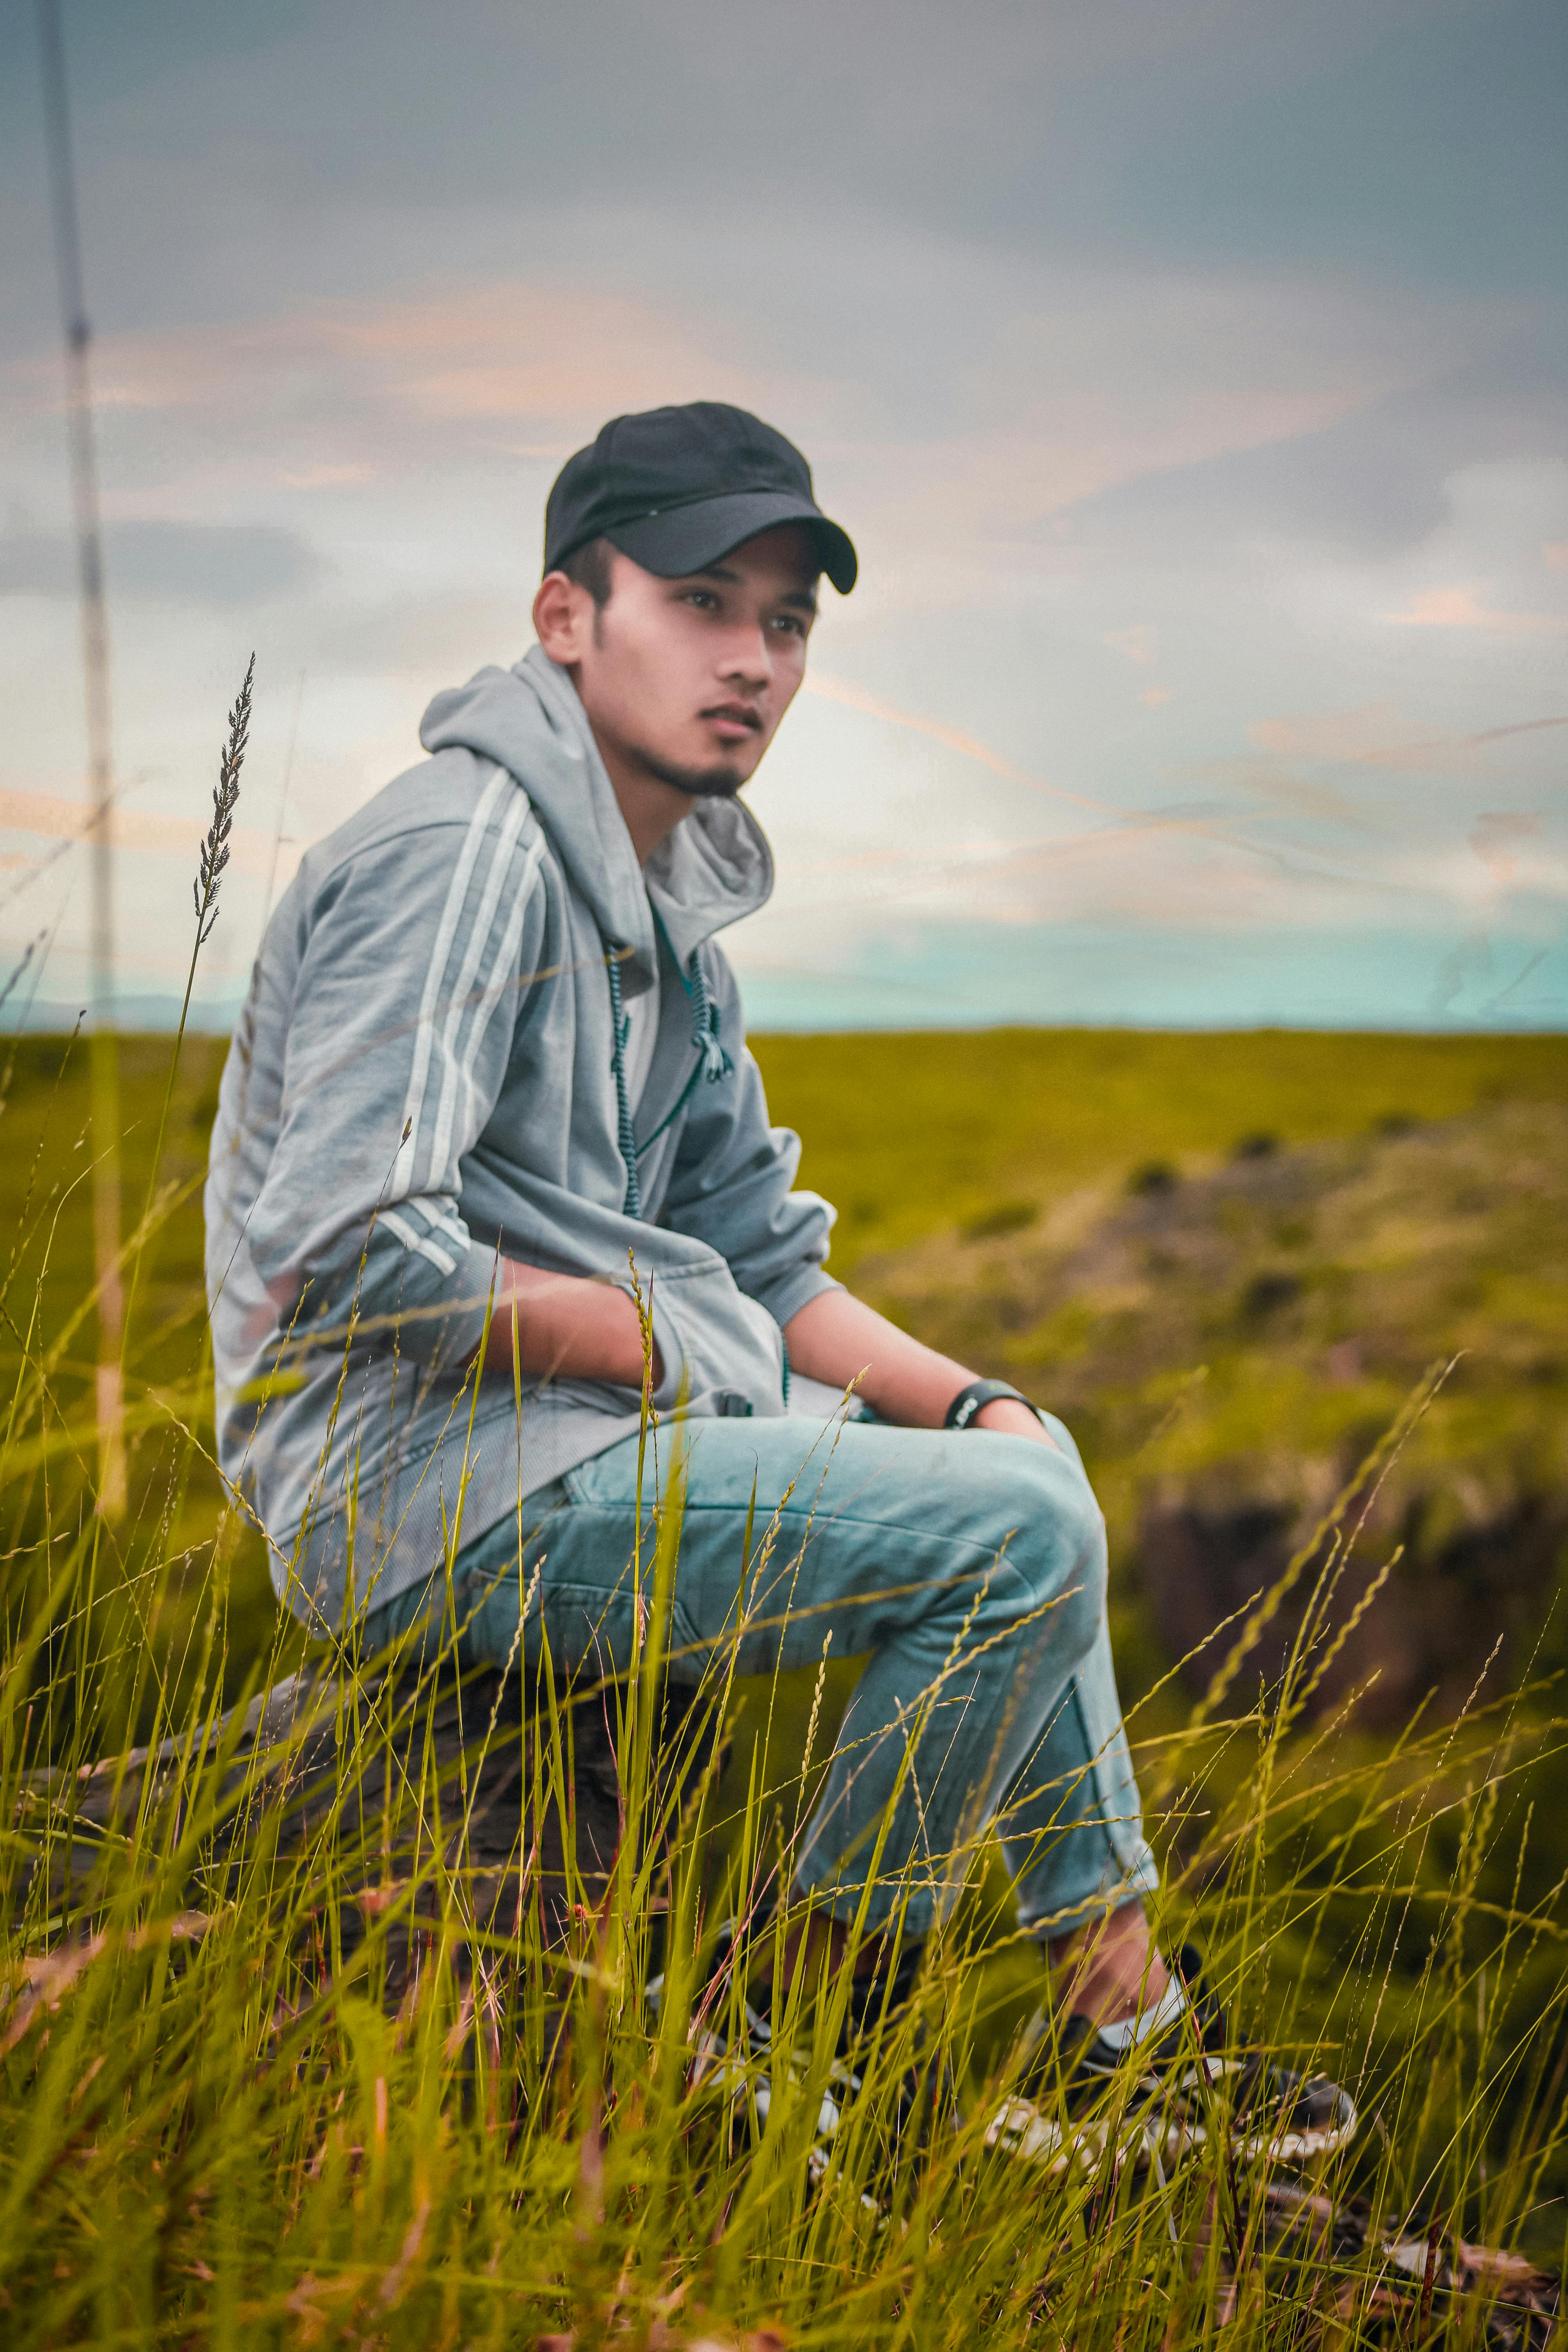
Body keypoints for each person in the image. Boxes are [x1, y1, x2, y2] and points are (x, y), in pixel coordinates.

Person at [204, 400, 1354, 2172]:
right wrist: (652, 1342)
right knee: (1007, 1541)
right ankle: (786, 2027)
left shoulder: (663, 904)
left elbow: (757, 1244)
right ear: (566, 615)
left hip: (561, 1443)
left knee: (1024, 1483)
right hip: (403, 1483)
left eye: (788, 622)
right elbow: (338, 1247)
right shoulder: (468, 852)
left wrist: (973, 1405)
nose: (751, 660)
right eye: (701, 602)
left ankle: (1125, 2026)